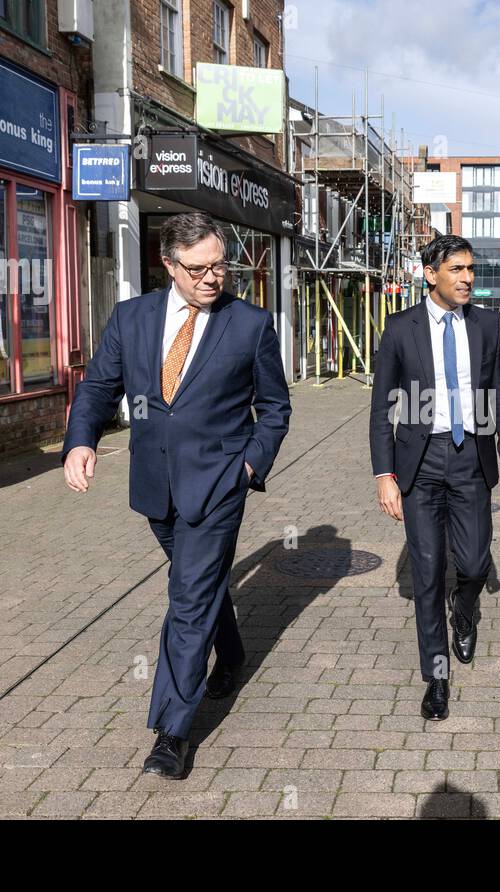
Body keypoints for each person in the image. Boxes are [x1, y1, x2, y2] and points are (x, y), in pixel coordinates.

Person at [62, 212, 291, 779]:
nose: (213, 278)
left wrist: (249, 465)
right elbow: (96, 387)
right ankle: (232, 654)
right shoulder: (131, 318)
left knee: (187, 599)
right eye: (199, 269)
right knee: (205, 584)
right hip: (155, 487)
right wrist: (79, 442)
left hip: (218, 486)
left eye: (220, 265)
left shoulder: (250, 323)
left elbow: (276, 408)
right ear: (169, 265)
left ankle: (170, 731)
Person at [370, 235, 500, 721]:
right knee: (427, 572)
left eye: (470, 269)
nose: (466, 278)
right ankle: (436, 679)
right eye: (456, 269)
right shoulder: (400, 329)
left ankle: (466, 606)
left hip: (470, 458)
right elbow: (381, 410)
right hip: (420, 462)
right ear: (430, 273)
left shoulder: (487, 326)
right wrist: (384, 474)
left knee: (475, 562)